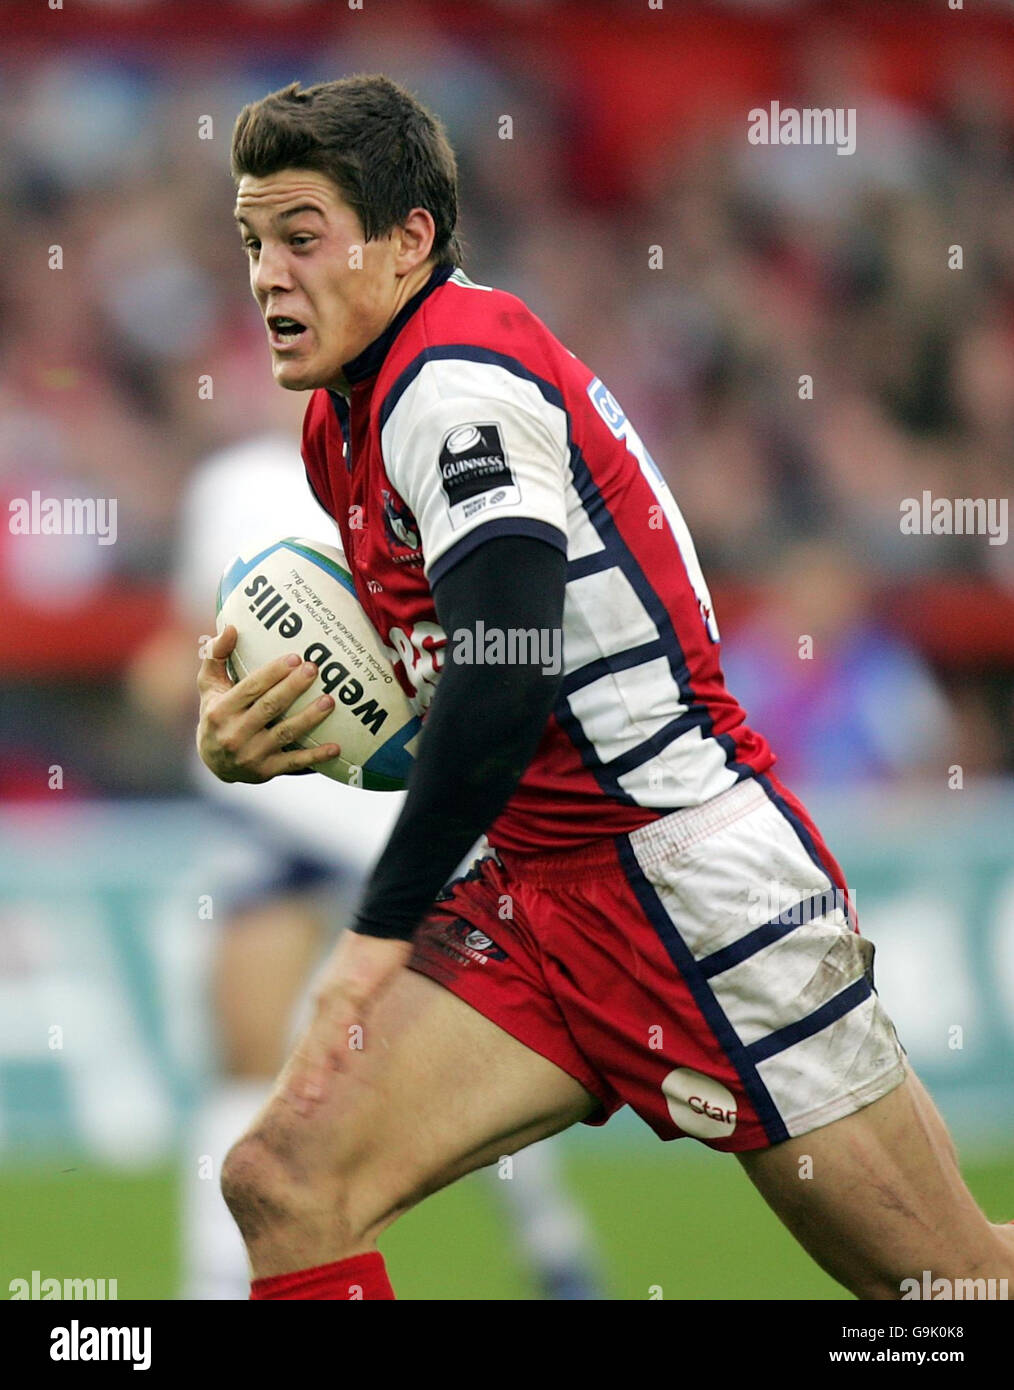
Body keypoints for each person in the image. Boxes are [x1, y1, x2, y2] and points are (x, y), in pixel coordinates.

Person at [195, 75, 1013, 1301]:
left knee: (949, 1292)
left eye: (302, 237)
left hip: (693, 889)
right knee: (284, 1182)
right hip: (537, 889)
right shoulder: (347, 416)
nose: (267, 275)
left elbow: (507, 675)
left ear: (410, 238)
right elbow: (434, 677)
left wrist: (376, 928)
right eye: (254, 242)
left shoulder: (453, 383)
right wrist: (259, 728)